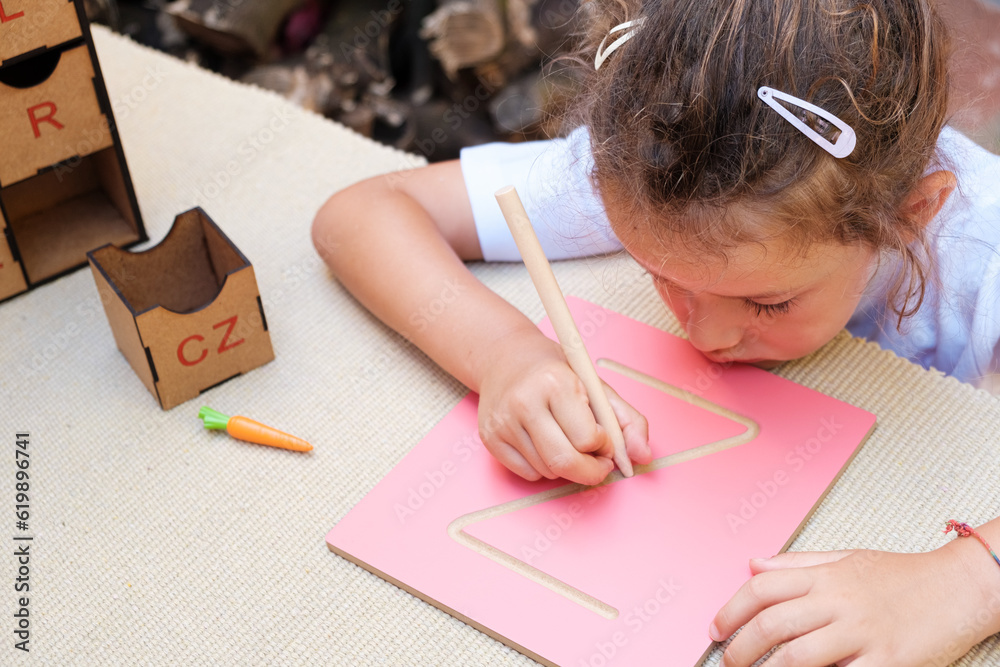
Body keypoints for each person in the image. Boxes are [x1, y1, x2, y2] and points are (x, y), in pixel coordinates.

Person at [312, 1, 1000, 663]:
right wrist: (504, 354)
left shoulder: (983, 251)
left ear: (913, 213)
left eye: (767, 303)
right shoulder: (648, 163)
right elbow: (364, 213)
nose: (705, 336)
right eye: (659, 274)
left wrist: (964, 583)